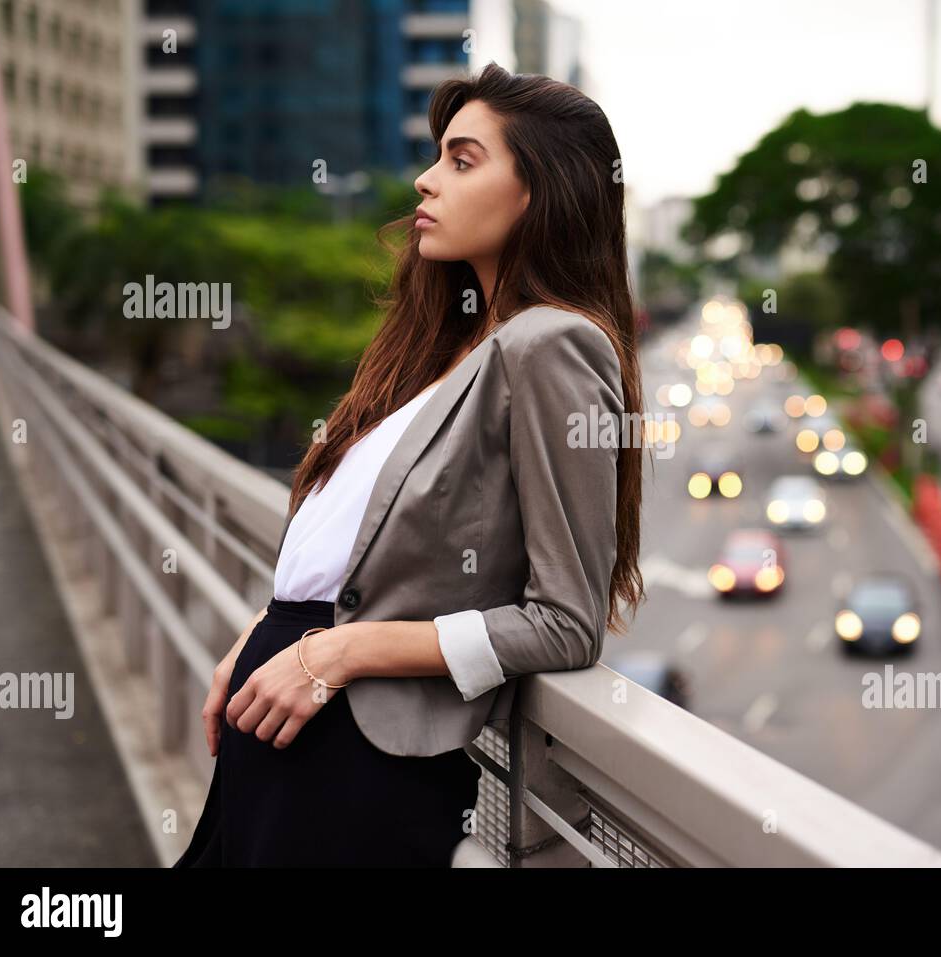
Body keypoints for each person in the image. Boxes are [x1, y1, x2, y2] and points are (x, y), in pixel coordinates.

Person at [175, 62, 646, 868]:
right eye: (437, 156)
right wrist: (269, 627)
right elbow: (351, 554)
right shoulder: (439, 351)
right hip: (279, 724)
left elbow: (565, 623)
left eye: (463, 160)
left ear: (540, 192)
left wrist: (340, 651)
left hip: (352, 764)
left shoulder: (550, 345)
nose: (426, 180)